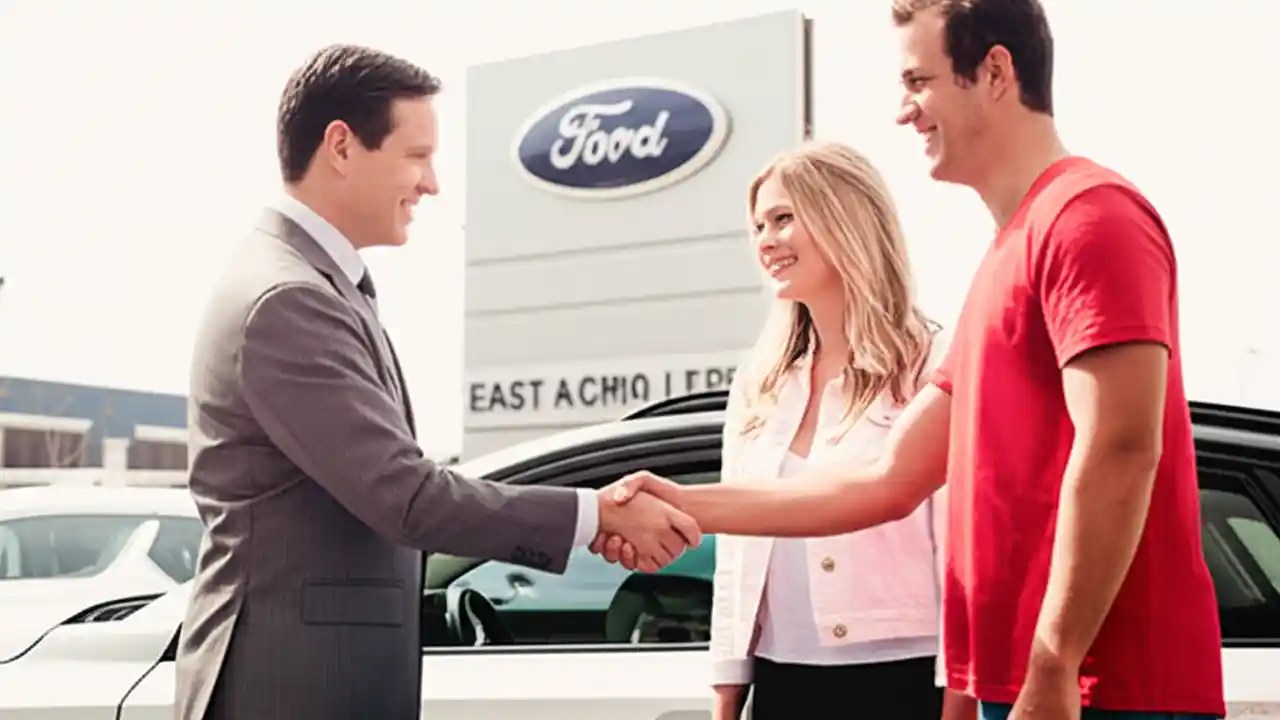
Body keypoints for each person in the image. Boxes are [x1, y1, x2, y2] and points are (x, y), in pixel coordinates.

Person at [595, 2, 1226, 719]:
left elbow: (1119, 447)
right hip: (1025, 682)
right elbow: (885, 481)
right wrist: (680, 502)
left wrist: (1054, 661)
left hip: (1104, 689)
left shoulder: (1090, 218)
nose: (904, 112)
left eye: (918, 81)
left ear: (994, 72)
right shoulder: (1004, 258)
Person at [175, 44, 699, 720]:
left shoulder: (310, 285)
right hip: (291, 686)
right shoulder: (288, 300)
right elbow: (407, 497)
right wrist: (596, 515)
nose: (432, 184)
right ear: (342, 146)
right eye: (417, 156)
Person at [704, 140, 965, 720]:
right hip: (781, 681)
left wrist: (960, 699)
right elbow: (736, 554)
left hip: (905, 680)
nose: (766, 240)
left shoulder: (934, 363)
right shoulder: (761, 380)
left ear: (844, 219)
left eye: (784, 219)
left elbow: (961, 548)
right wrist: (727, 691)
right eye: (759, 226)